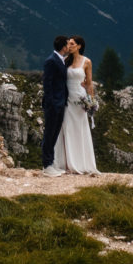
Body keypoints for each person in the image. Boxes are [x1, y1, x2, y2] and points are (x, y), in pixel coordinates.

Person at [50, 34, 100, 176]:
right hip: (67, 99)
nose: (69, 46)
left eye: (72, 44)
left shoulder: (87, 62)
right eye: (69, 44)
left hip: (80, 100)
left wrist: (91, 101)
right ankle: (66, 163)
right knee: (67, 129)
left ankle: (82, 163)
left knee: (80, 129)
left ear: (79, 46)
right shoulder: (65, 61)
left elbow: (89, 84)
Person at [40, 35, 70, 173]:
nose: (69, 47)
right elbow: (47, 84)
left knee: (55, 133)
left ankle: (51, 162)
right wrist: (52, 103)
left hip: (60, 102)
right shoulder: (51, 61)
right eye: (68, 44)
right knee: (49, 133)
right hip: (53, 104)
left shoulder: (61, 60)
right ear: (63, 47)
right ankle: (47, 165)